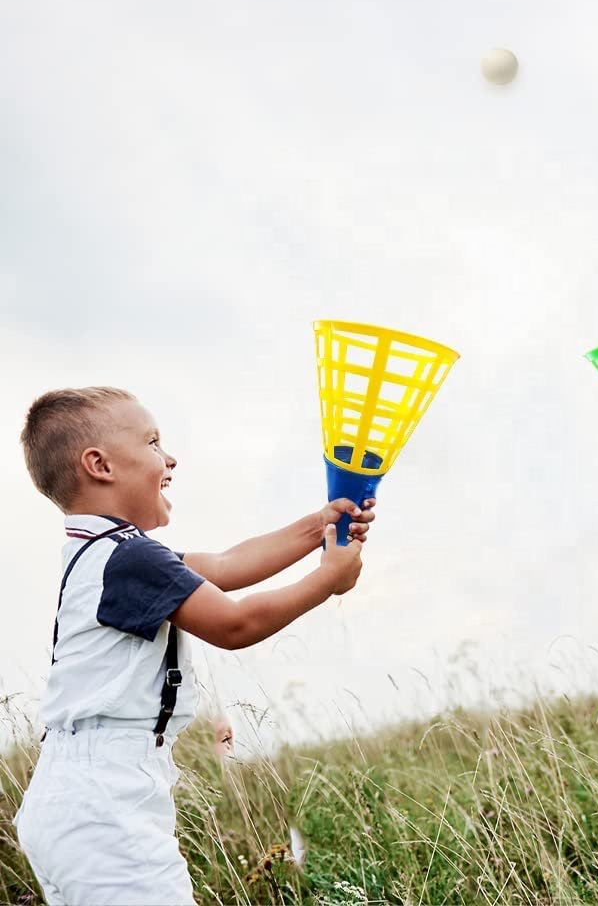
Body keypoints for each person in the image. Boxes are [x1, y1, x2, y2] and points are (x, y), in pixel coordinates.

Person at [14, 386, 375, 905]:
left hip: (83, 795)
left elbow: (228, 565)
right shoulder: (128, 558)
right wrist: (329, 580)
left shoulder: (107, 553)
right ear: (100, 465)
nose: (171, 457)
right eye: (154, 442)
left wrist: (320, 525)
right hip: (103, 802)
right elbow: (235, 625)